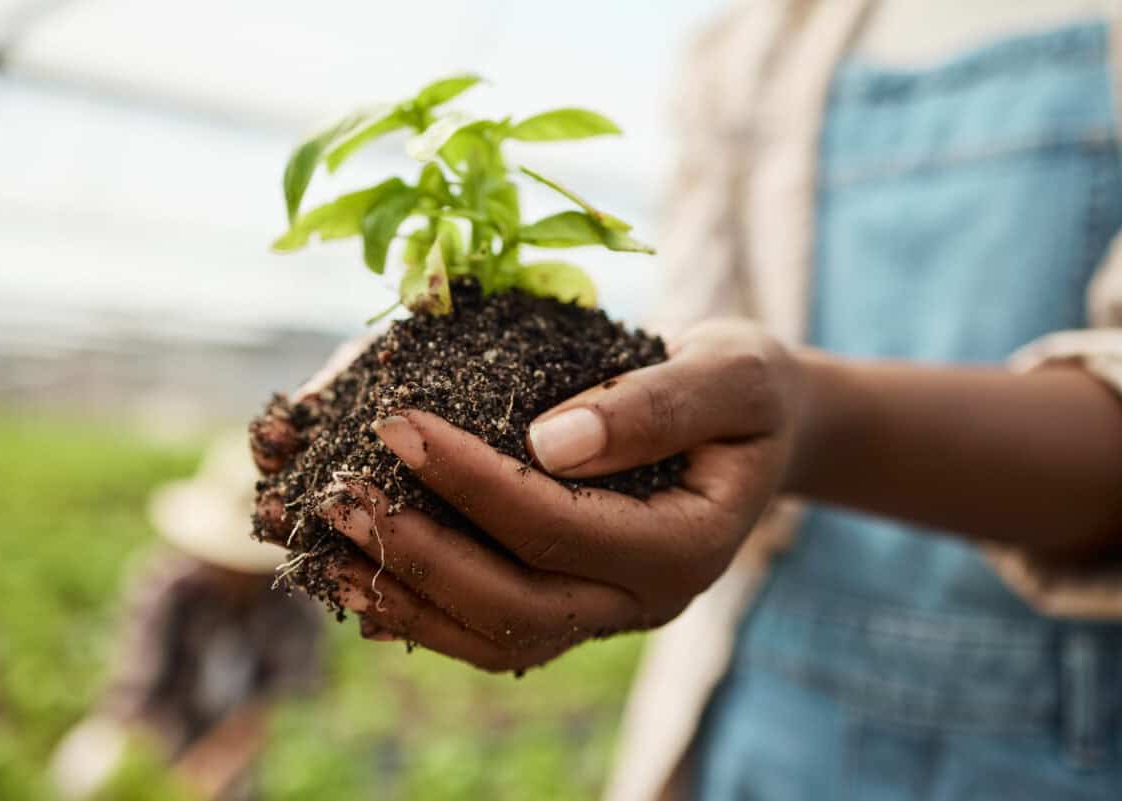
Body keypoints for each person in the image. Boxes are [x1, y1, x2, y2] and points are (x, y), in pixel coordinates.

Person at [263, 1, 1122, 799]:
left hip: (1065, 740)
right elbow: (695, 328)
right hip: (749, 697)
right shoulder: (758, 40)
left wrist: (807, 419)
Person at [51, 435, 322, 801]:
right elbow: (138, 690)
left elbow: (284, 701)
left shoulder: (294, 604)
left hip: (245, 744)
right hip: (169, 728)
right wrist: (162, 765)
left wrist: (216, 763)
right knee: (89, 769)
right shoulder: (168, 588)